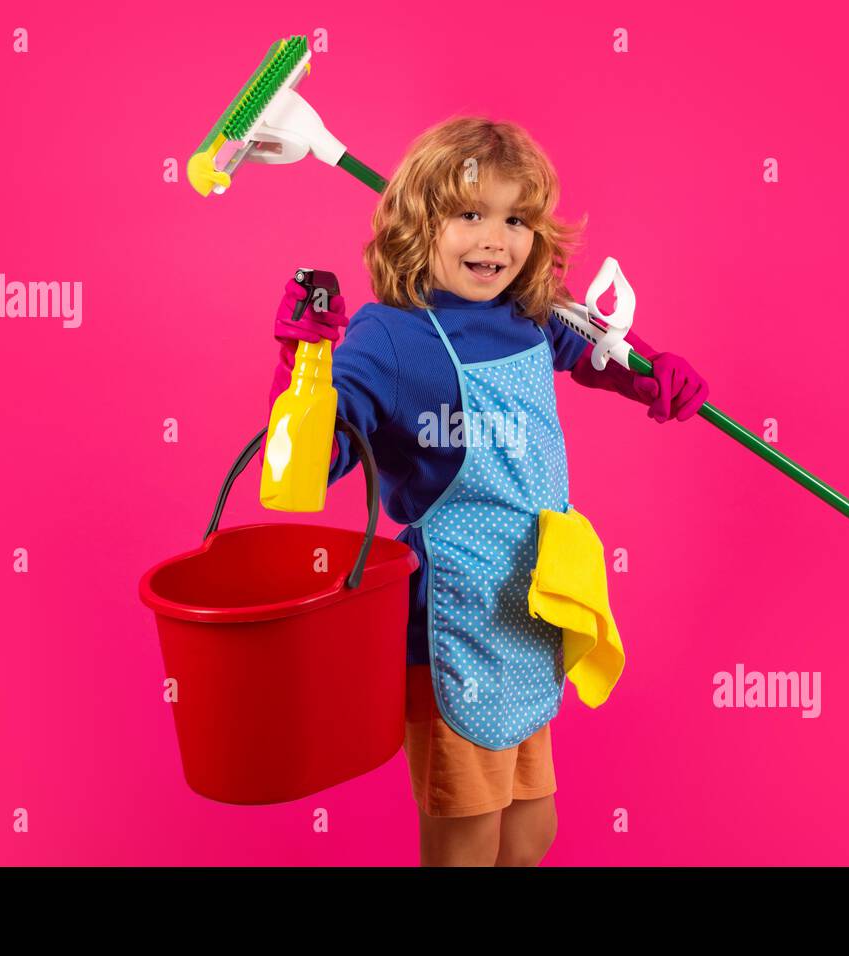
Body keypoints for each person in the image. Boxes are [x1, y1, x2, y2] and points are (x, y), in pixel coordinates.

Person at [266, 117, 708, 866]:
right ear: (419, 220)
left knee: (533, 834)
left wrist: (651, 372)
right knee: (466, 846)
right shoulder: (393, 337)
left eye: (514, 219)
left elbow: (592, 351)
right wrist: (304, 364)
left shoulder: (526, 315)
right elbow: (306, 467)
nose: (495, 241)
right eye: (470, 215)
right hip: (455, 626)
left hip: (529, 614)